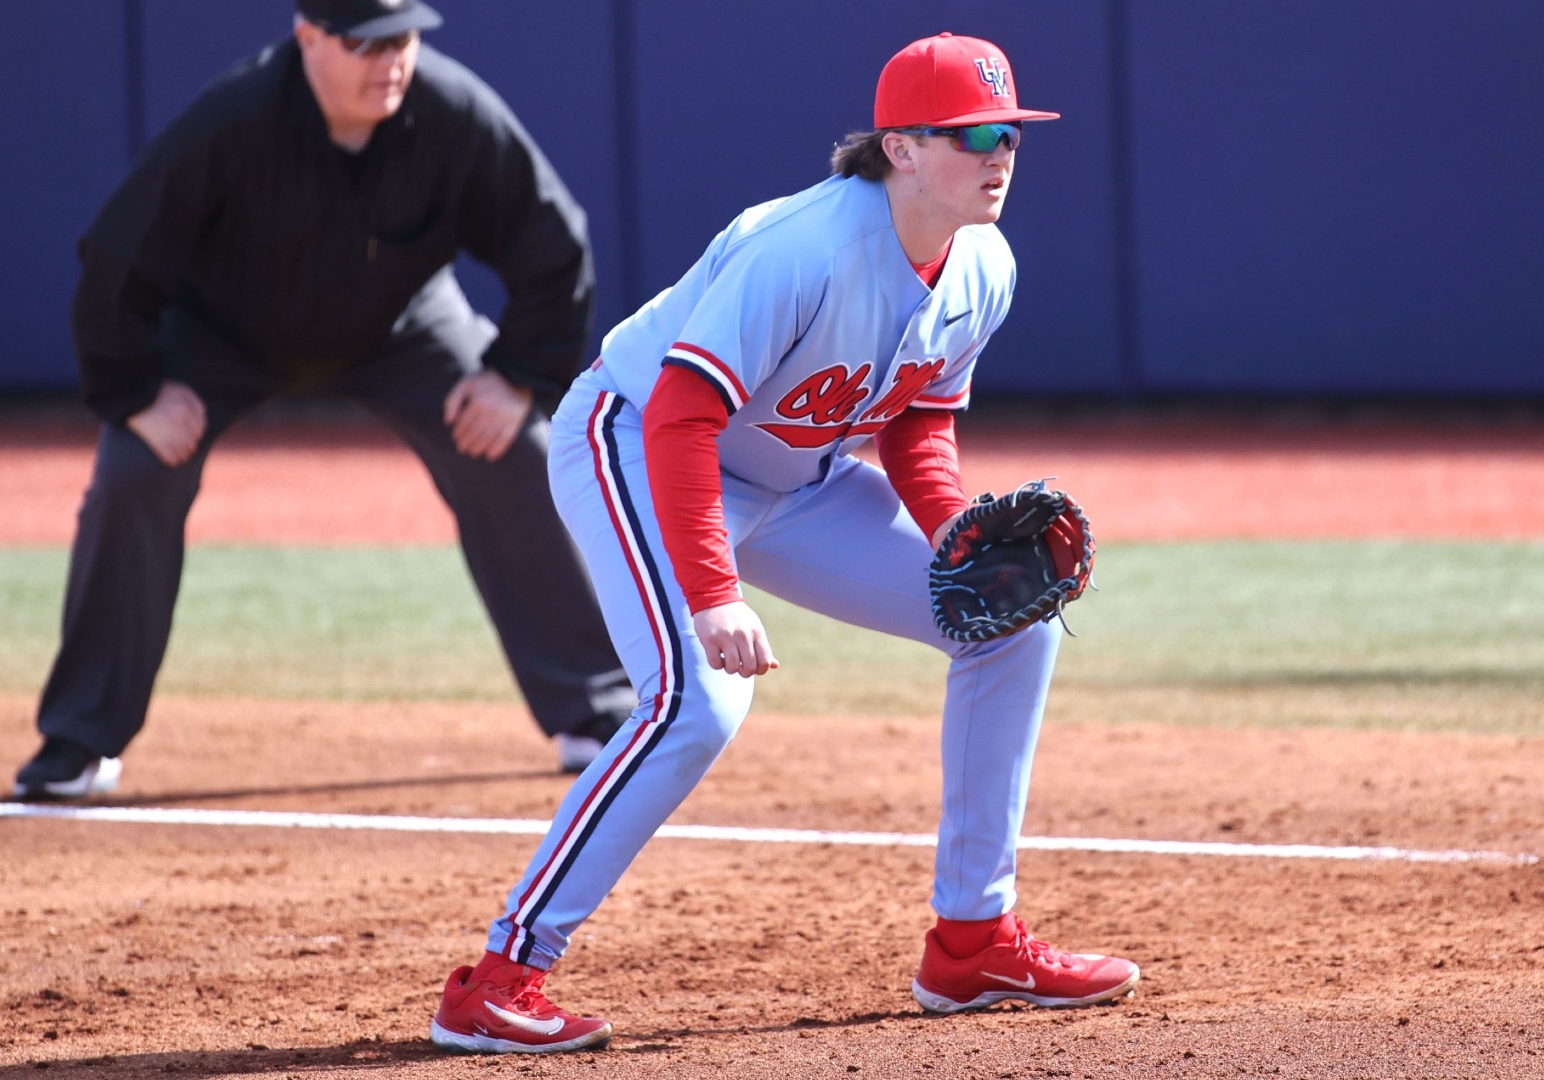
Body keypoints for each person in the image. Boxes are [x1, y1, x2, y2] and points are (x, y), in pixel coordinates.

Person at [426, 32, 1140, 1055]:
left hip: (792, 479)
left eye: (1012, 136)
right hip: (634, 445)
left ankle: (973, 942)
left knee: (1011, 626)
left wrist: (955, 539)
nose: (1000, 156)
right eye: (975, 134)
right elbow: (677, 417)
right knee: (696, 703)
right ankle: (497, 981)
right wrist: (712, 593)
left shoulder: (985, 264)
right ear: (899, 148)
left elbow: (915, 423)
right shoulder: (801, 249)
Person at [12, 0, 640, 800]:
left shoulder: (451, 110)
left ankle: (596, 709)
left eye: (404, 39)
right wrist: (135, 392)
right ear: (307, 37)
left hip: (400, 323)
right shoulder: (233, 118)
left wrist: (517, 376)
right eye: (363, 42)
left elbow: (554, 240)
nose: (390, 61)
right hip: (220, 333)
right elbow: (117, 256)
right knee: (135, 470)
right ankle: (80, 739)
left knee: (513, 449)